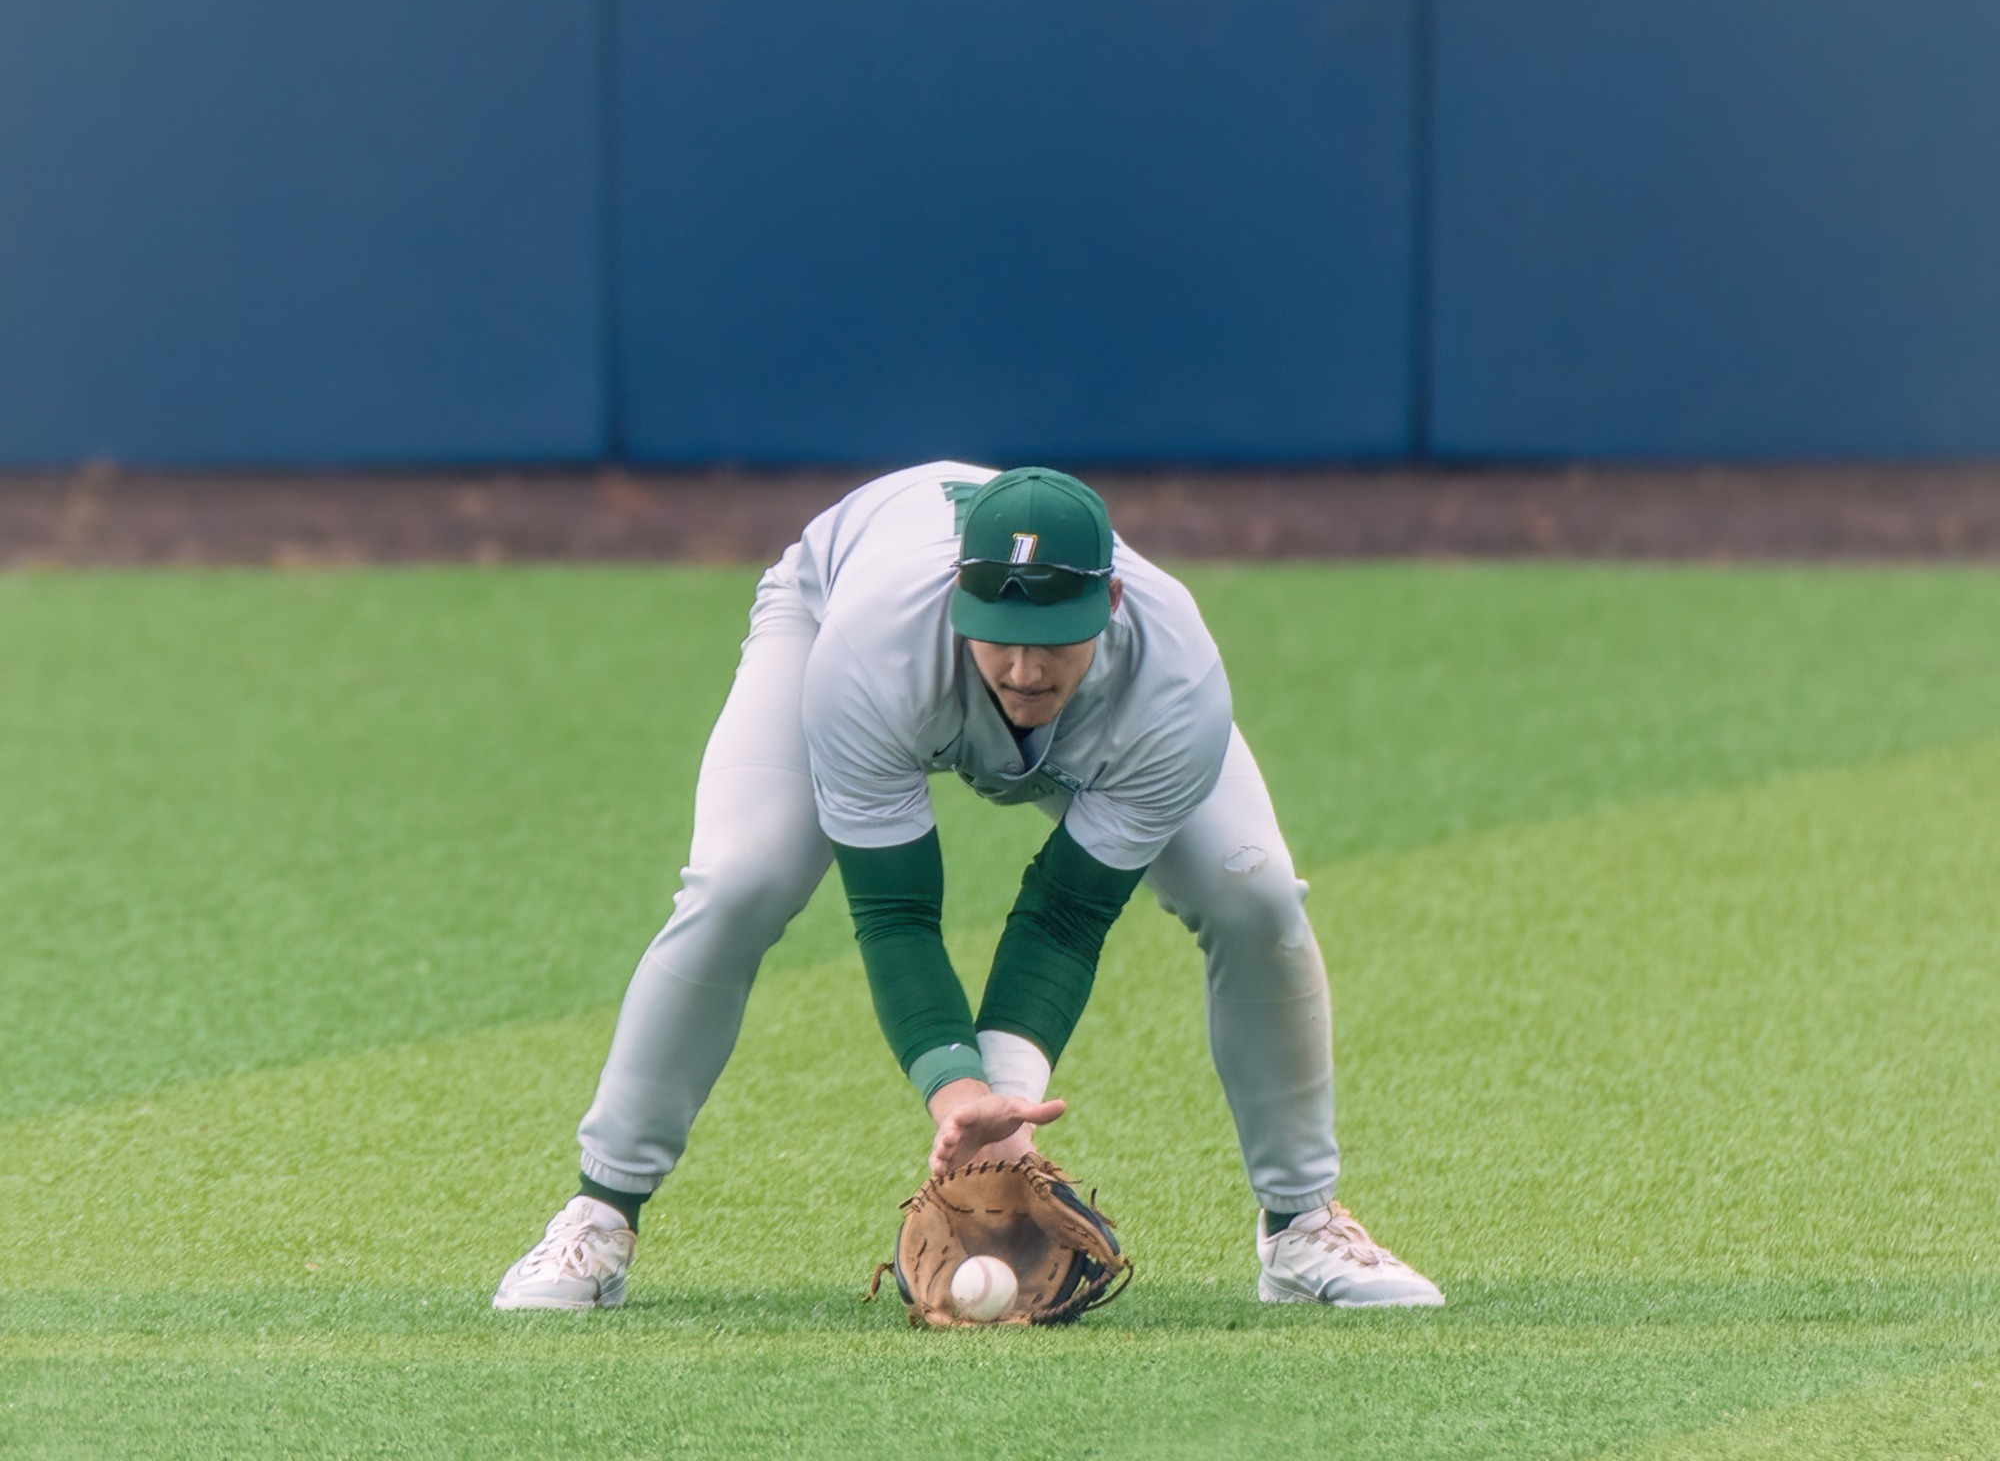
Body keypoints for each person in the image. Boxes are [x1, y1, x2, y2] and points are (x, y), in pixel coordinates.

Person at [494, 463, 1442, 1311]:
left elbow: (1066, 915)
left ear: (1112, 603)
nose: (1026, 670)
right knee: (739, 880)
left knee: (1257, 893)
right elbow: (896, 911)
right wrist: (957, 1094)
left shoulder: (1177, 682)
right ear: (959, 596)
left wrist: (1005, 1111)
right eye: (1001, 636)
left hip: (1117, 723)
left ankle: (1301, 1227)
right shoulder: (873, 650)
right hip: (826, 603)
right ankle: (599, 1215)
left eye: (1055, 640)